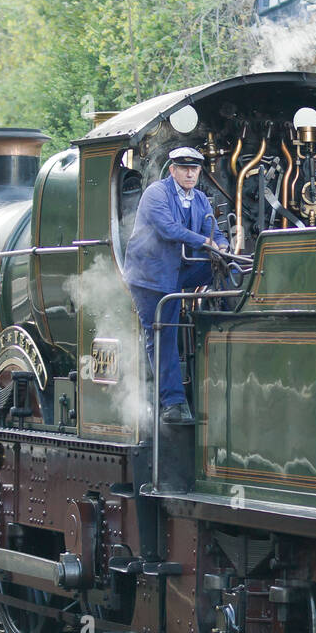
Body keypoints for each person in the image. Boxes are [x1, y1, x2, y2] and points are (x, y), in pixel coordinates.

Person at [123, 146, 229, 426]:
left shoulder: (201, 200)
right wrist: (206, 243)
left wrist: (224, 248)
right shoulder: (156, 194)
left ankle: (230, 319)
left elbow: (215, 232)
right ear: (172, 170)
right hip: (150, 274)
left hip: (179, 269)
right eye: (184, 168)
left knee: (228, 271)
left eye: (195, 168)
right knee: (163, 333)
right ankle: (173, 403)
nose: (190, 173)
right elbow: (169, 229)